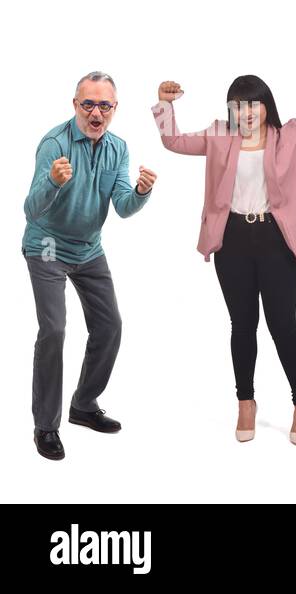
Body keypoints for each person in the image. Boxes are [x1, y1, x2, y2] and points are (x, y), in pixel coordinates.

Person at [152, 75, 296, 445]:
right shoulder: (219, 135)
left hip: (276, 240)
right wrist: (165, 105)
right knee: (242, 325)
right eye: (238, 105)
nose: (246, 113)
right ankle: (245, 402)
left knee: (283, 326)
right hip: (231, 240)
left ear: (266, 106)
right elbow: (173, 141)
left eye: (253, 104)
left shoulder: (291, 136)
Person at [23, 71, 158, 461]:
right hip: (46, 245)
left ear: (114, 109)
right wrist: (52, 181)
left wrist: (141, 192)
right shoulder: (54, 144)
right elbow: (30, 209)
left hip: (88, 250)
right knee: (54, 329)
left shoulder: (118, 148)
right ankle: (45, 426)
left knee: (110, 325)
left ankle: (83, 404)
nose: (95, 112)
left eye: (104, 105)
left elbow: (123, 208)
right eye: (88, 104)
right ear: (75, 105)